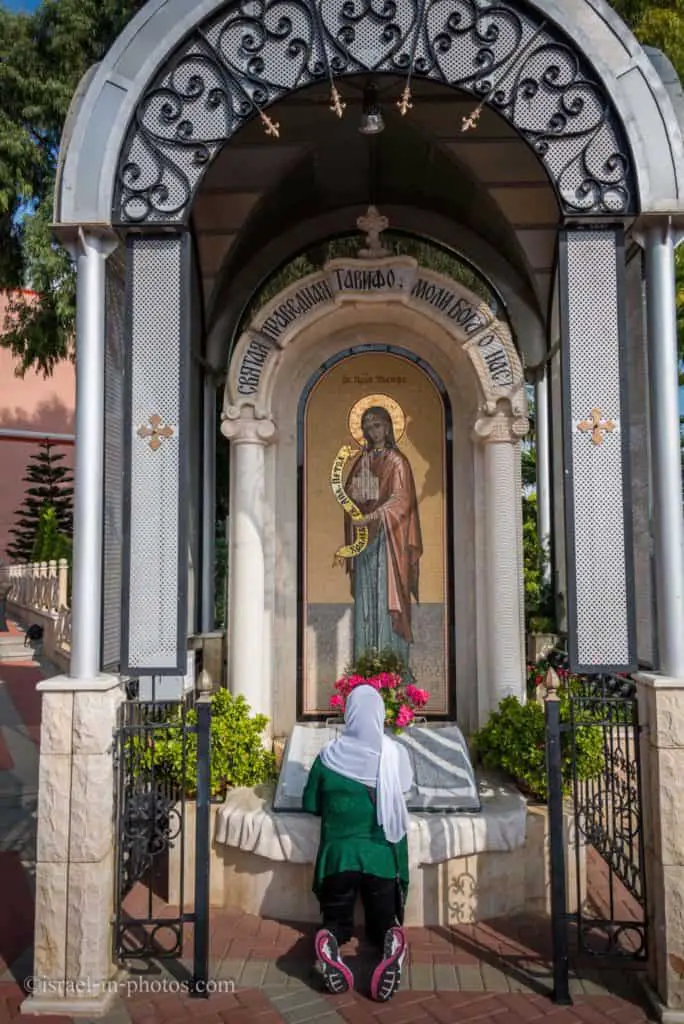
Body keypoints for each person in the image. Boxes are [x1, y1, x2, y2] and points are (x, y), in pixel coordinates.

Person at [302, 684, 414, 1001]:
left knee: (337, 919)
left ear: (349, 714)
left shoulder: (328, 757)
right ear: (379, 714)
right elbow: (405, 789)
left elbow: (310, 803)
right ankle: (391, 938)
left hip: (338, 859)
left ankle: (329, 940)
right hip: (381, 858)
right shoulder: (395, 755)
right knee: (382, 922)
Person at [344, 405, 422, 665]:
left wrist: (374, 515)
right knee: (367, 599)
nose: (371, 431)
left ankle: (392, 663)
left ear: (387, 427)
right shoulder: (363, 461)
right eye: (367, 426)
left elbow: (402, 499)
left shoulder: (397, 461)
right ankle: (366, 662)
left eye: (376, 425)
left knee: (386, 595)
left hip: (389, 543)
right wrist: (356, 501)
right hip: (366, 541)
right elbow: (351, 497)